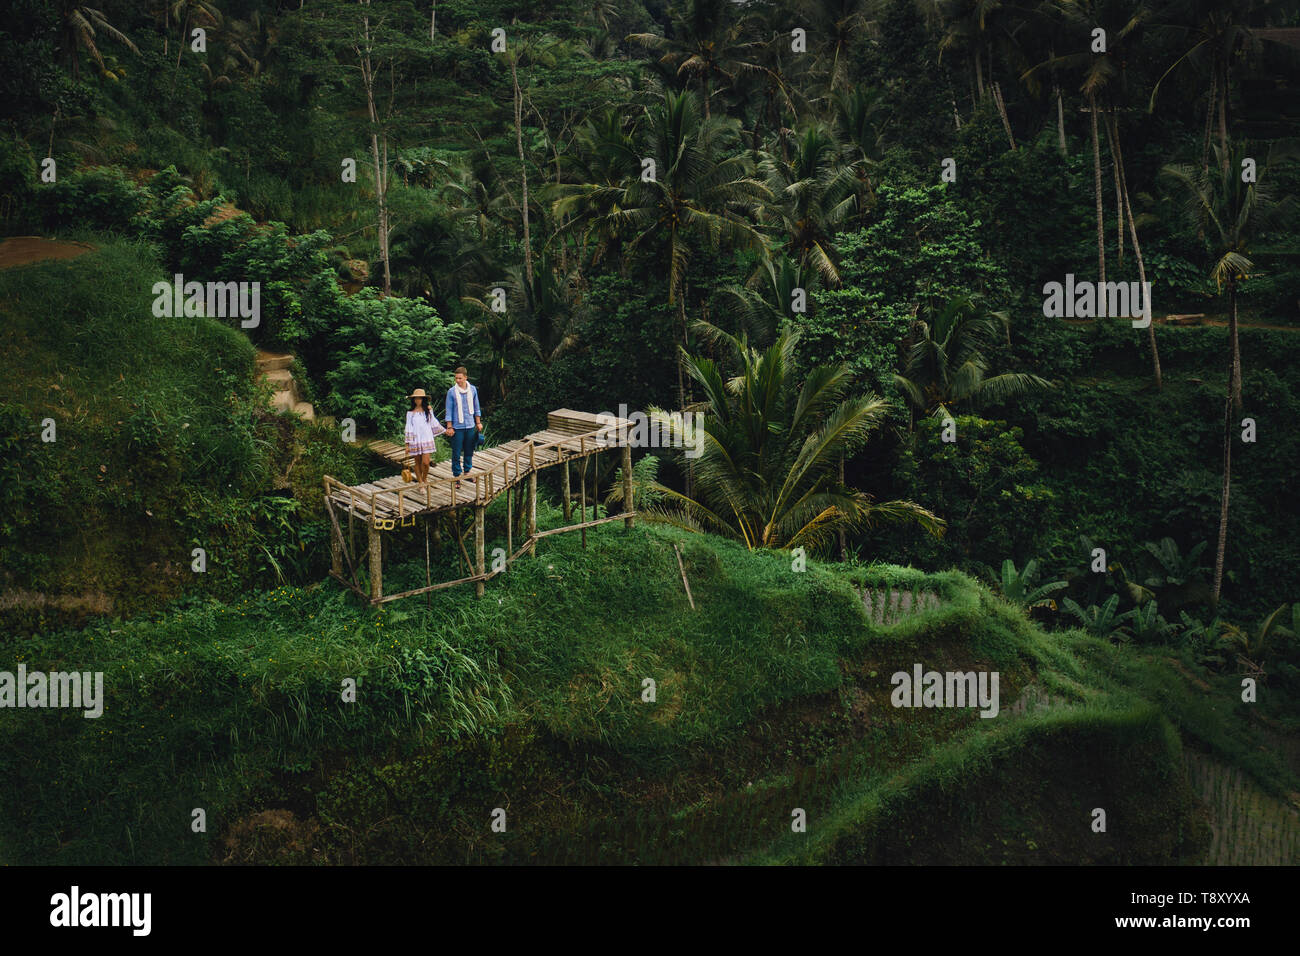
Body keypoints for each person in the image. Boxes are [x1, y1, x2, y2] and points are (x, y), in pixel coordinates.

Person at [444, 366, 482, 485]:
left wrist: (478, 422)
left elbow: (476, 407)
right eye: (456, 378)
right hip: (457, 427)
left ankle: (467, 472)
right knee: (456, 452)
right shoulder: (451, 392)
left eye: (460, 378)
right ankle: (456, 476)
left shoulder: (473, 390)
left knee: (469, 450)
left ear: (465, 377)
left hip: (470, 425)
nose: (458, 380)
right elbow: (449, 410)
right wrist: (449, 427)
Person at [404, 388, 444, 484]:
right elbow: (408, 428)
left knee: (425, 463)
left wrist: (445, 430)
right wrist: (407, 445)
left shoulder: (428, 410)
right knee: (417, 462)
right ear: (413, 400)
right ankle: (420, 482)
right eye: (416, 398)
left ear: (423, 399)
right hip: (415, 440)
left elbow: (433, 422)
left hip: (426, 438)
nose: (418, 400)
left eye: (420, 398)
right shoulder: (410, 413)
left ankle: (424, 478)